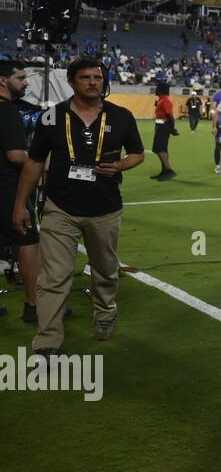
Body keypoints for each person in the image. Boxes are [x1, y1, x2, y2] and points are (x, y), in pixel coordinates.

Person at [14, 57, 144, 351]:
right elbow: (34, 163)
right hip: (60, 208)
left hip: (105, 209)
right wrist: (20, 204)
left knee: (106, 269)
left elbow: (137, 153)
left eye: (97, 77)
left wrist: (121, 165)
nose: (93, 82)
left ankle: (105, 313)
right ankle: (47, 341)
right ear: (71, 83)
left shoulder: (121, 116)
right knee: (53, 277)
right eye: (85, 78)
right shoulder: (51, 117)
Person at [0, 60, 38, 321]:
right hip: (10, 190)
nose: (26, 83)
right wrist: (43, 165)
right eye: (21, 77)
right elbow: (16, 156)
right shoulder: (8, 111)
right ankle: (33, 306)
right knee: (28, 243)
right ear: (3, 81)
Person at [150, 82, 178, 181]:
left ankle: (169, 170)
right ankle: (164, 171)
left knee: (160, 149)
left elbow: (169, 115)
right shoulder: (161, 100)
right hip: (160, 125)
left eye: (157, 88)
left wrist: (172, 128)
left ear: (161, 90)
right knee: (161, 149)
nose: (156, 90)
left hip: (163, 126)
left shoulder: (165, 100)